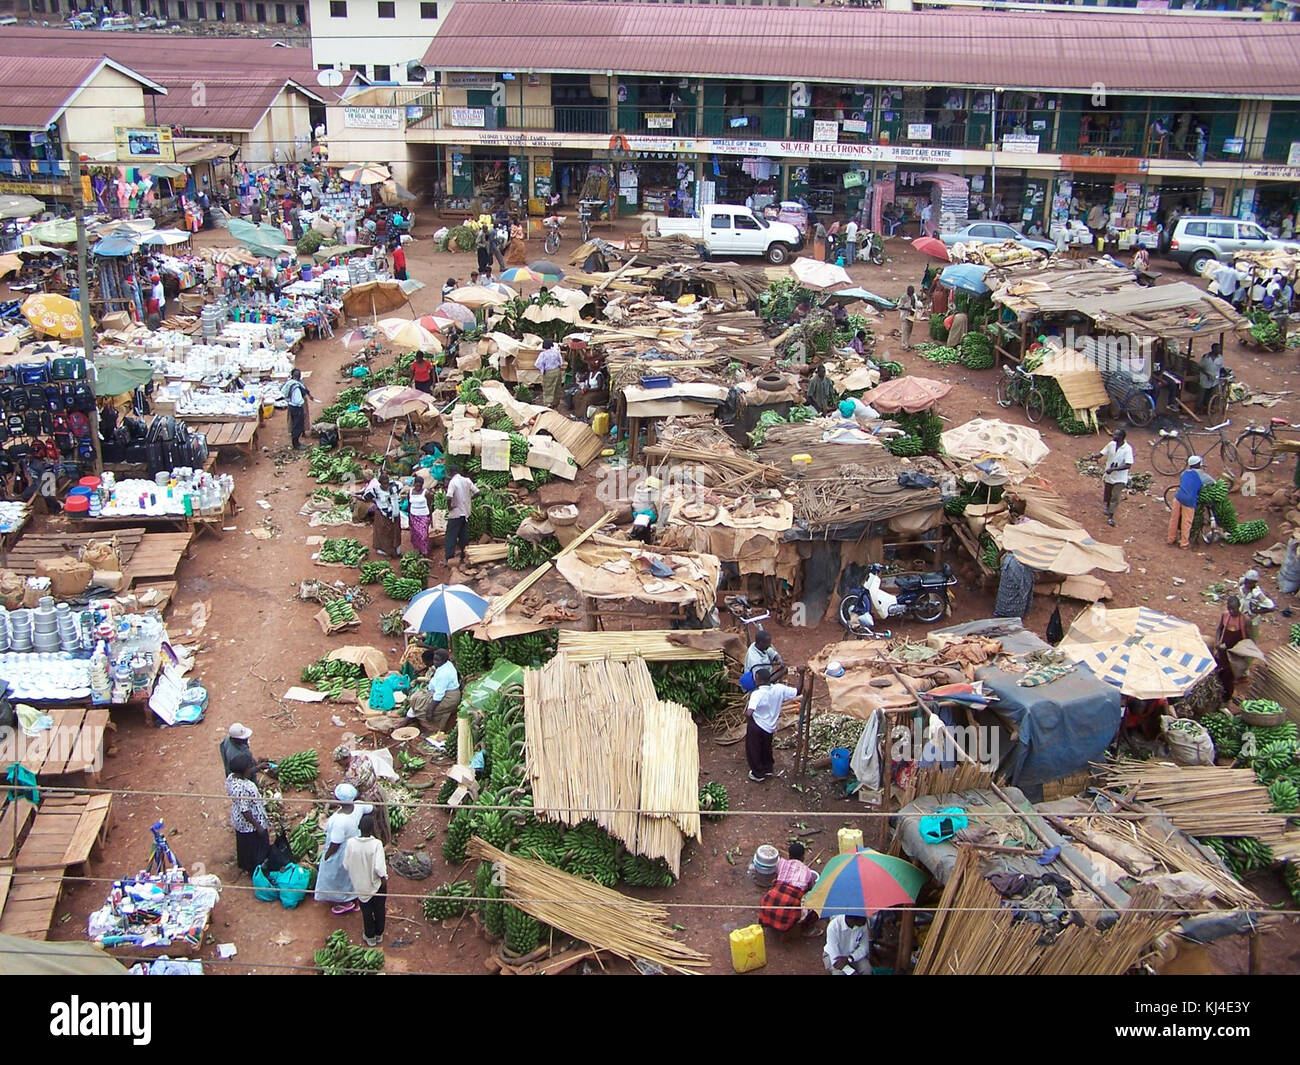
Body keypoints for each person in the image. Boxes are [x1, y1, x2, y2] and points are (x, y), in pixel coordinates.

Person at [314, 783, 373, 915]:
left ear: (340, 800)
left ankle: (345, 902)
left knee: (336, 876)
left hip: (341, 851)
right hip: (354, 846)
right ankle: (355, 898)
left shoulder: (339, 821)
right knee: (350, 875)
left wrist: (327, 856)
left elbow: (336, 843)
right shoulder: (358, 805)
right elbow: (371, 808)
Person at [745, 666, 803, 783]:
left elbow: (749, 712)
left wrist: (748, 717)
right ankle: (768, 768)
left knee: (754, 748)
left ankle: (758, 773)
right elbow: (798, 691)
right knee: (766, 747)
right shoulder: (779, 688)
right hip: (770, 726)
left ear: (759, 680)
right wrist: (802, 675)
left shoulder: (757, 694)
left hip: (757, 725)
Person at [343, 813, 388, 947]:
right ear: (372, 829)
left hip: (360, 885)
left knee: (366, 912)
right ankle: (379, 934)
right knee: (379, 910)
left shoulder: (351, 843)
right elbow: (379, 868)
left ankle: (370, 937)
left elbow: (346, 864)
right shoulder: (376, 844)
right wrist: (384, 879)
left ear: (359, 828)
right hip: (375, 884)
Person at [758, 842, 820, 933]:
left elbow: (777, 878)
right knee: (813, 911)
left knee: (775, 894)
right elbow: (810, 888)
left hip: (769, 903)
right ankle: (807, 930)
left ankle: (768, 922)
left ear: (789, 855)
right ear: (803, 857)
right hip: (786, 914)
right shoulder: (807, 871)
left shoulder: (781, 863)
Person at [334, 747, 392, 843]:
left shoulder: (351, 772)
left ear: (344, 759)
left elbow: (352, 791)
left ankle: (379, 844)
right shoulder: (363, 757)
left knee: (374, 822)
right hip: (378, 790)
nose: (339, 765)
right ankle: (387, 839)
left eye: (339, 762)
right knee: (383, 818)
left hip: (369, 799)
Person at [226, 751, 269, 877]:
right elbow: (245, 811)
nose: (251, 769)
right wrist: (258, 827)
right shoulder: (242, 787)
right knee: (256, 846)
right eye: (250, 767)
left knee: (244, 844)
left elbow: (247, 772)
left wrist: (258, 768)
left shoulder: (232, 777)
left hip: (239, 820)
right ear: (245, 770)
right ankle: (255, 870)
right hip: (249, 823)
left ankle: (244, 864)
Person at [411, 647, 461, 733]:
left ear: (445, 660)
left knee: (422, 708)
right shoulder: (446, 664)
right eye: (434, 659)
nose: (435, 662)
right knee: (416, 699)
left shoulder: (444, 673)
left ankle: (433, 729)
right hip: (442, 693)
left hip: (448, 698)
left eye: (438, 660)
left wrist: (430, 710)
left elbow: (439, 695)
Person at [1168, 455, 1212, 549]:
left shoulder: (1184, 473)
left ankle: (1171, 539)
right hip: (1189, 500)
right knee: (1186, 522)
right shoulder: (1202, 475)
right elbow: (1213, 483)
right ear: (1199, 464)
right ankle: (1184, 543)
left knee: (1174, 519)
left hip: (1178, 497)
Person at [1215, 594, 1251, 700]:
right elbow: (1219, 629)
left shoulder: (1245, 620)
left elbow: (1248, 639)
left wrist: (1244, 653)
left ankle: (1226, 697)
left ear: (1239, 607)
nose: (1231, 611)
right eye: (1229, 609)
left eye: (1234, 609)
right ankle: (1217, 693)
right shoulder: (1225, 616)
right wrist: (1217, 642)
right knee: (1219, 671)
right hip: (1223, 649)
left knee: (1230, 675)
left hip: (1236, 651)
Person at [443, 461, 478, 566]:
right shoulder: (466, 480)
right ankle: (464, 554)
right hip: (466, 513)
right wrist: (468, 499)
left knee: (451, 535)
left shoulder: (453, 482)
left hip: (455, 513)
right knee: (463, 535)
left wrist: (450, 507)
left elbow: (449, 497)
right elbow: (477, 492)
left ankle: (449, 557)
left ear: (451, 472)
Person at [1097, 428, 1133, 527]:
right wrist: (1096, 456)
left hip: (1119, 478)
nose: (1113, 436)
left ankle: (1111, 516)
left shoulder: (1127, 449)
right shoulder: (1111, 444)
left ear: (1121, 437)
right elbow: (1103, 452)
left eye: (1116, 435)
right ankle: (1107, 506)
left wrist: (1114, 469)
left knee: (1115, 496)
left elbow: (1128, 465)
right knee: (1108, 493)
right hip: (1109, 475)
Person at [362, 471, 401, 557]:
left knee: (396, 532)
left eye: (387, 483)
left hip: (395, 513)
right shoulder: (375, 490)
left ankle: (397, 551)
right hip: (383, 515)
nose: (386, 485)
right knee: (383, 533)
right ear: (380, 483)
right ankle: (385, 550)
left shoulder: (395, 486)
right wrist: (376, 501)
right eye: (383, 484)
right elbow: (365, 497)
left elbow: (401, 488)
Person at [1238, 569, 1275, 639]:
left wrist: (1257, 611)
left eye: (1250, 582)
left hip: (1252, 619)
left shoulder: (1257, 594)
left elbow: (1272, 607)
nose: (1247, 583)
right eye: (1246, 580)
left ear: (1254, 583)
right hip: (1241, 615)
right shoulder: (1242, 584)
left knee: (1251, 636)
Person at [282, 368, 312, 451]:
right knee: (297, 425)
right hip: (297, 407)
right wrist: (301, 402)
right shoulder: (296, 387)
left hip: (291, 406)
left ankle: (296, 442)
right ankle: (296, 444)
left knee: (295, 424)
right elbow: (298, 400)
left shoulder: (290, 383)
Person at [536, 339, 565, 409]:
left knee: (548, 387)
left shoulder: (543, 354)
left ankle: (548, 403)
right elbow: (561, 362)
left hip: (548, 372)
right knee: (557, 387)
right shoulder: (556, 352)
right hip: (557, 371)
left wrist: (542, 370)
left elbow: (538, 364)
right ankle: (556, 403)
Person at [1198, 343, 1223, 414]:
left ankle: (1208, 409)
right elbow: (1200, 367)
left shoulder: (1220, 358)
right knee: (1201, 395)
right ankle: (1199, 409)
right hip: (1205, 379)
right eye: (1217, 348)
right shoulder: (1206, 357)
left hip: (1215, 380)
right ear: (1213, 349)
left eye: (1219, 348)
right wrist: (1207, 374)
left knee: (1212, 395)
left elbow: (1220, 368)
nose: (1219, 350)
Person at [407, 482, 431, 557]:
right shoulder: (410, 492)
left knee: (423, 535)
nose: (418, 487)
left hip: (423, 515)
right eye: (417, 485)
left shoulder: (426, 493)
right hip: (413, 515)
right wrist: (409, 518)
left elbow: (429, 505)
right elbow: (409, 504)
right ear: (414, 484)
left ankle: (425, 552)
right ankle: (419, 551)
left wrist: (430, 517)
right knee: (415, 534)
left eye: (420, 486)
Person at [898, 285, 917, 350]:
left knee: (909, 330)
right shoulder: (903, 297)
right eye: (910, 293)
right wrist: (907, 309)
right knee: (904, 330)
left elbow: (914, 305)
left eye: (912, 293)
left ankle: (907, 343)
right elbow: (899, 306)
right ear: (907, 291)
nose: (911, 294)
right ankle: (904, 345)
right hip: (905, 315)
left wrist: (914, 310)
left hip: (911, 315)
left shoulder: (913, 297)